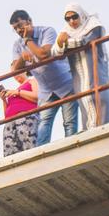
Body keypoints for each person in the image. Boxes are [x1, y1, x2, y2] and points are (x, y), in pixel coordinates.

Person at [9, 9, 77, 146]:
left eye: (20, 25)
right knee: (44, 123)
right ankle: (41, 154)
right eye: (15, 28)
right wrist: (23, 57)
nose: (18, 30)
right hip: (46, 91)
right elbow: (15, 69)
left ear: (29, 21)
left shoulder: (47, 31)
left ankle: (72, 148)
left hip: (64, 83)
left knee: (69, 122)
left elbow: (44, 55)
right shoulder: (17, 45)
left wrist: (28, 40)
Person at [52, 3, 109, 131]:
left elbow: (85, 40)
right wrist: (60, 43)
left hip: (95, 68)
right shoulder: (66, 31)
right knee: (84, 99)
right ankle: (90, 129)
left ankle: (105, 126)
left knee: (100, 96)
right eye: (68, 18)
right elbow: (54, 52)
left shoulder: (92, 24)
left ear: (80, 14)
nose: (72, 21)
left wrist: (63, 43)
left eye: (74, 17)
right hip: (79, 72)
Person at [0, 72, 39, 156]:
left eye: (17, 72)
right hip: (10, 123)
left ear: (25, 71)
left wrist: (18, 92)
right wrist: (4, 100)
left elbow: (37, 97)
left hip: (26, 118)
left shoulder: (32, 81)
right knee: (10, 154)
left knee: (29, 147)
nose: (15, 75)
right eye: (13, 74)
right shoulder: (14, 91)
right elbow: (6, 116)